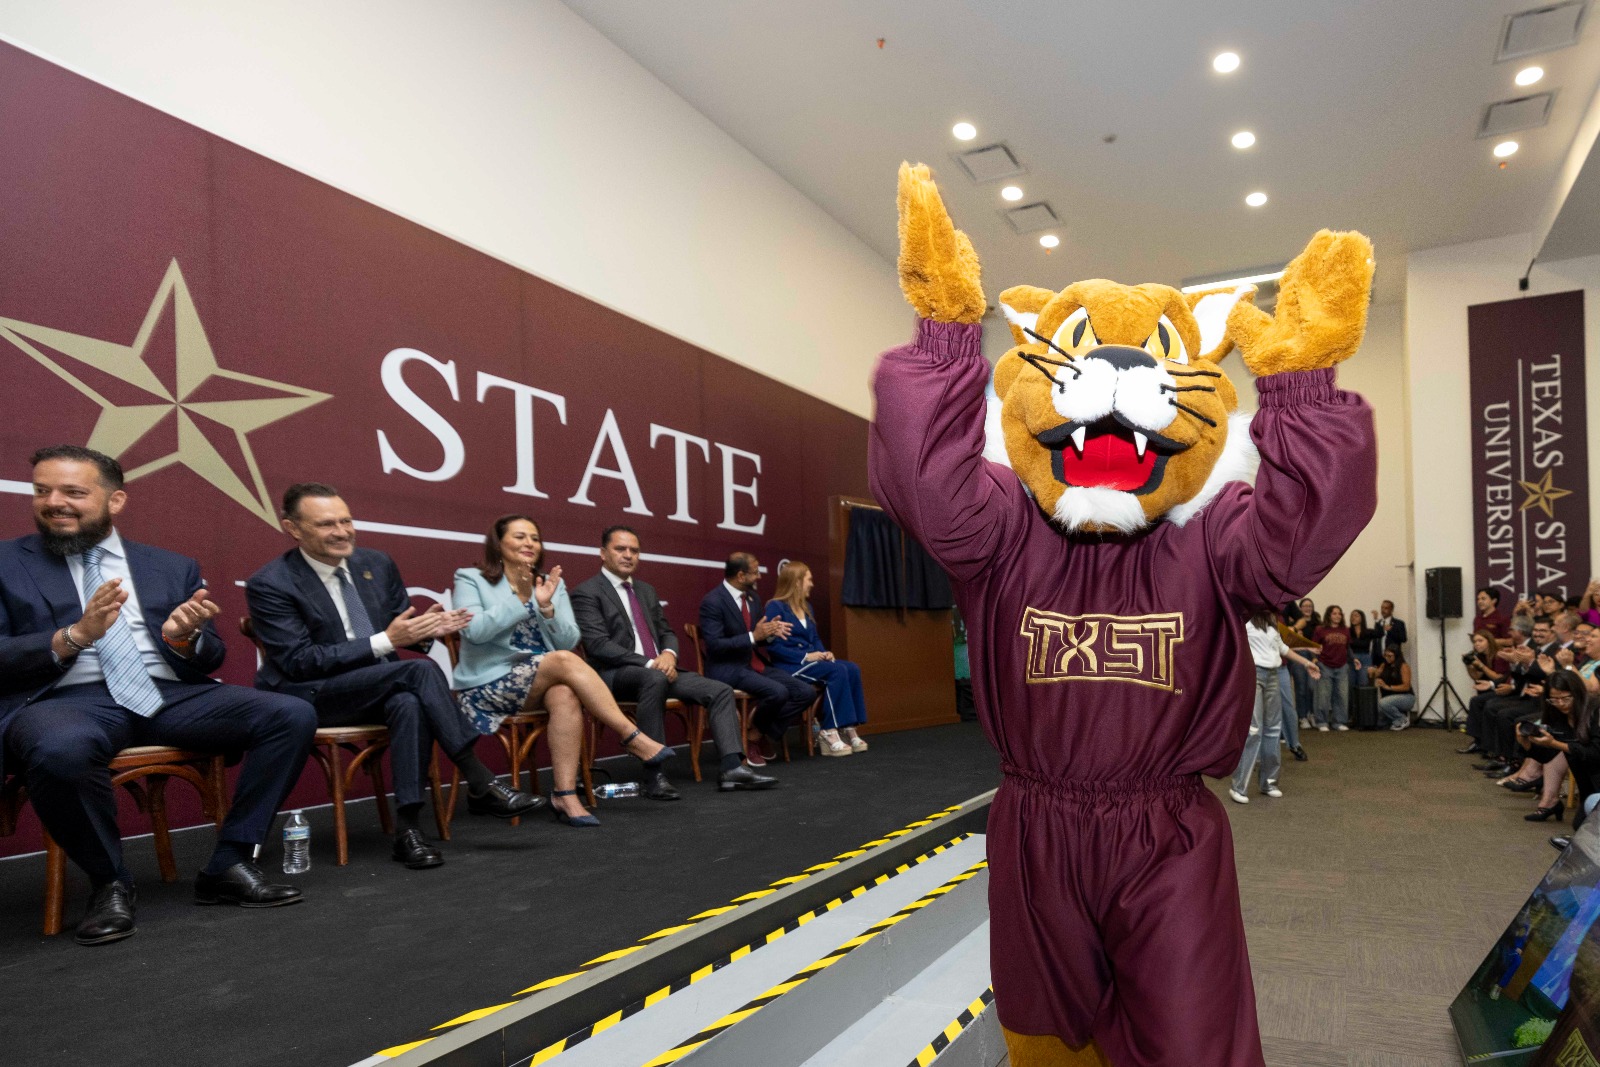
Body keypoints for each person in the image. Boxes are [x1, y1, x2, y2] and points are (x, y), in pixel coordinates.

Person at [1, 445, 318, 944]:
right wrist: (73, 637)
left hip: (166, 693)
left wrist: (181, 639)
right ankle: (110, 881)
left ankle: (228, 863)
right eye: (43, 490)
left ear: (116, 500)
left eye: (73, 492)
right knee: (59, 748)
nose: (54, 501)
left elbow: (210, 654)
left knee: (291, 713)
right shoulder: (6, 562)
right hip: (66, 700)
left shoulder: (170, 566)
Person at [245, 483, 542, 870]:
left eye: (346, 520)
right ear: (293, 528)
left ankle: (408, 831)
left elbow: (401, 627)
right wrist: (388, 639)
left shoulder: (376, 563)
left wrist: (428, 629)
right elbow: (301, 661)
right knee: (416, 674)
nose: (342, 531)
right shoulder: (272, 582)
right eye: (326, 524)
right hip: (312, 695)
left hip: (378, 685)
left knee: (407, 701)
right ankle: (479, 778)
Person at [451, 515, 674, 826]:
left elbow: (569, 638)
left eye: (534, 538)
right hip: (489, 683)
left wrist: (546, 608)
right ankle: (631, 735)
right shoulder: (471, 578)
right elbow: (474, 631)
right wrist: (524, 599)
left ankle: (564, 794)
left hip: (537, 681)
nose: (529, 543)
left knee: (565, 692)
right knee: (563, 662)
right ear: (498, 544)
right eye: (519, 537)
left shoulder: (551, 584)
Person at [570, 526, 775, 795]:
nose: (628, 555)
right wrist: (649, 664)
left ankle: (732, 768)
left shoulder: (645, 590)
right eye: (620, 549)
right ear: (603, 553)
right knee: (654, 677)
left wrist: (669, 654)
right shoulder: (587, 592)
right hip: (615, 674)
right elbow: (598, 645)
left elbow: (666, 632)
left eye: (634, 550)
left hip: (660, 669)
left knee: (720, 690)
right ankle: (654, 776)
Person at [697, 553, 816, 766]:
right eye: (755, 572)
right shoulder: (713, 601)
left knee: (805, 692)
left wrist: (772, 632)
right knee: (778, 692)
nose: (759, 577)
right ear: (741, 575)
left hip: (753, 665)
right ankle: (755, 738)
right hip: (727, 667)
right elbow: (715, 646)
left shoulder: (753, 598)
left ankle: (756, 734)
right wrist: (754, 636)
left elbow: (760, 637)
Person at [762, 561, 869, 756]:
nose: (812, 584)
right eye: (809, 580)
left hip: (812, 663)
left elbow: (815, 639)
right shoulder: (775, 607)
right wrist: (806, 656)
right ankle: (828, 731)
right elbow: (773, 647)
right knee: (837, 671)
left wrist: (824, 653)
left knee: (852, 668)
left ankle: (849, 727)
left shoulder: (807, 606)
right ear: (796, 582)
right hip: (790, 666)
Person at [1229, 609, 1320, 804]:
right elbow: (1231, 644)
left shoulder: (1272, 620)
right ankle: (1239, 787)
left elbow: (1282, 647)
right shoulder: (1244, 619)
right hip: (1252, 674)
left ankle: (1269, 783)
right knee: (1254, 729)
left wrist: (1306, 663)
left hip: (1273, 674)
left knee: (1273, 728)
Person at [1519, 669, 1587, 821]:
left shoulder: (1592, 713)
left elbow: (1593, 753)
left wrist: (1556, 744)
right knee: (1580, 825)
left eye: (1566, 698)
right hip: (1585, 779)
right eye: (1554, 699)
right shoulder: (1557, 715)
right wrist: (1526, 742)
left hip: (1594, 771)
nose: (1561, 704)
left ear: (1577, 694)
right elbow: (1547, 757)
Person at [1457, 629, 1508, 754]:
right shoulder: (1480, 656)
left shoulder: (1499, 655)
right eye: (1475, 641)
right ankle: (1479, 741)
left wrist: (1481, 666)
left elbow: (1499, 678)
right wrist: (1469, 665)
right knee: (1477, 701)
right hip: (1488, 689)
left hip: (1503, 689)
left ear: (1489, 641)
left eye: (1480, 641)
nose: (1477, 644)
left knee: (1477, 701)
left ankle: (1481, 742)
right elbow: (1476, 677)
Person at [1313, 605, 1352, 731]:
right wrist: (1314, 659)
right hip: (1325, 666)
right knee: (1323, 696)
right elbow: (1313, 646)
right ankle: (1322, 722)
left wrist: (1354, 659)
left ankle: (1339, 722)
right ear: (1329, 615)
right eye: (1334, 613)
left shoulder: (1345, 630)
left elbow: (1348, 648)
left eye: (1339, 614)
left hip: (1342, 666)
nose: (1337, 616)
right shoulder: (1320, 629)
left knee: (1341, 696)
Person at [1368, 645, 1413, 730]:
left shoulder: (1404, 666)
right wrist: (1373, 673)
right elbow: (1375, 675)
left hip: (1407, 697)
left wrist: (1388, 687)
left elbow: (1406, 687)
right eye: (1385, 655)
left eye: (1390, 656)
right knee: (1379, 722)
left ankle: (1402, 719)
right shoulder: (1384, 665)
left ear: (1396, 655)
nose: (1387, 658)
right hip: (1389, 697)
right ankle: (1395, 718)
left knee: (1383, 703)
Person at [1347, 609, 1375, 690]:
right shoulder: (1348, 631)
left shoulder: (1368, 631)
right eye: (1352, 616)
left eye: (1356, 615)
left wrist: (1376, 620)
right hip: (1352, 658)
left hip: (1365, 658)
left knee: (1363, 683)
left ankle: (1362, 703)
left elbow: (1380, 633)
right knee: (1350, 683)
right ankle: (1352, 703)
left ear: (1362, 618)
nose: (1353, 618)